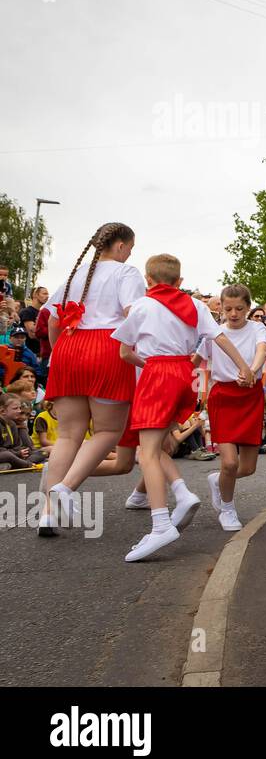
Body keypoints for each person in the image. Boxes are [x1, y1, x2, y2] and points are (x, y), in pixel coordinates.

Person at [113, 254, 253, 561]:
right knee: (162, 443)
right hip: (183, 375)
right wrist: (244, 366)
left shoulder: (143, 306)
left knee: (146, 452)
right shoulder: (197, 305)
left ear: (149, 281)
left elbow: (124, 352)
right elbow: (220, 340)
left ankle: (161, 522)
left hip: (158, 373)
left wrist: (147, 363)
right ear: (180, 282)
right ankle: (180, 492)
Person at [38, 222, 146, 535]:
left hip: (70, 347)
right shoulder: (127, 273)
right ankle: (65, 489)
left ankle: (47, 512)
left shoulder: (77, 273)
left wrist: (61, 354)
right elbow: (133, 314)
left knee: (69, 434)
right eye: (131, 248)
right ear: (122, 245)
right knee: (108, 431)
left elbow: (53, 320)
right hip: (108, 347)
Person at [201, 284, 266, 532]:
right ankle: (227, 509)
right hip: (223, 397)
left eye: (239, 308)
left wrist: (250, 370)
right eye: (228, 308)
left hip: (250, 396)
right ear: (221, 307)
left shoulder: (258, 328)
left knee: (247, 468)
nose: (233, 314)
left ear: (248, 308)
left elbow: (262, 350)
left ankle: (218, 482)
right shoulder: (215, 333)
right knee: (229, 463)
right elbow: (199, 361)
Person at [0, 393, 36, 469]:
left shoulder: (12, 424)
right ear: (3, 411)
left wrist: (20, 452)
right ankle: (27, 464)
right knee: (7, 455)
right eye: (15, 408)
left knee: (40, 453)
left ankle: (13, 464)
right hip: (4, 454)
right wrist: (17, 453)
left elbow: (17, 445)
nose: (19, 411)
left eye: (19, 408)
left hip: (12, 454)